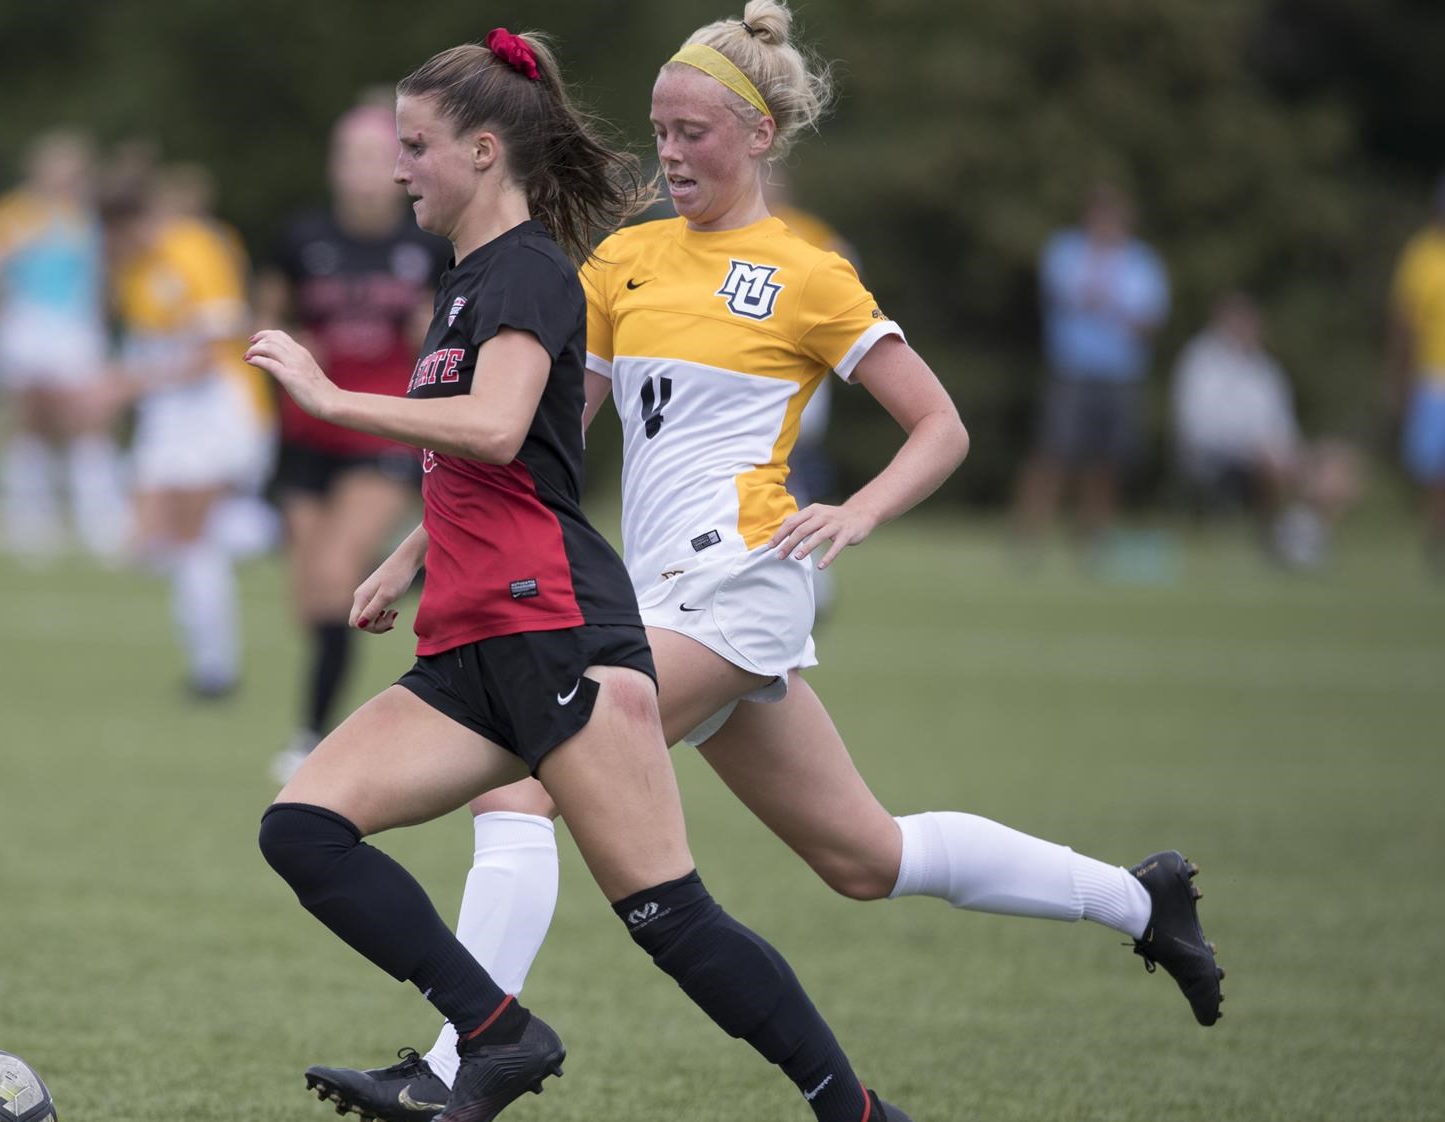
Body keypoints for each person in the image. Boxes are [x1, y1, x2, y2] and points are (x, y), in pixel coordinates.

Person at [297, 8, 1223, 1121]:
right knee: (861, 856)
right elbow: (534, 441)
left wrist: (859, 509)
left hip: (740, 585)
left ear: (761, 133)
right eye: (658, 130)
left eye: (693, 132)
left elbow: (939, 427)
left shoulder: (806, 273)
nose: (671, 154)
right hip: (653, 598)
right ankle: (1138, 899)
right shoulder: (623, 261)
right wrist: (411, 553)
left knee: (522, 777)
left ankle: (458, 1068)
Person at [249, 28, 914, 1122]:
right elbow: (481, 459)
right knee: (301, 827)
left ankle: (851, 1111)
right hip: (469, 637)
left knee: (669, 919)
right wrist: (409, 557)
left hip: (555, 629)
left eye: (412, 146)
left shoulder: (530, 271)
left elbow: (499, 429)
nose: (395, 166)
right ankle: (495, 1032)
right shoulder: (464, 281)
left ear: (477, 152)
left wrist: (331, 401)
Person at [262, 101, 451, 776]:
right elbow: (266, 316)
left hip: (381, 428)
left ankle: (312, 736)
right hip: (307, 432)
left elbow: (453, 342)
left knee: (339, 576)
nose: (363, 172)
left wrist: (426, 339)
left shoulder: (426, 246)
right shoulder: (303, 237)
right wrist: (286, 343)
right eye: (351, 157)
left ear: (399, 167)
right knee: (313, 599)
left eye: (377, 158)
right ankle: (437, 567)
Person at [104, 170, 270, 699]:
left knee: (192, 534)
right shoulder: (131, 268)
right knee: (153, 541)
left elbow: (214, 348)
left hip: (217, 403)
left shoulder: (195, 249)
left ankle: (214, 671)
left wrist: (127, 384)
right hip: (171, 412)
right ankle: (211, 665)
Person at [0, 130, 127, 563]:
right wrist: (2, 319)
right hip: (29, 325)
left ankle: (100, 518)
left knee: (88, 418)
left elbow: (106, 273)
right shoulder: (13, 214)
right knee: (31, 421)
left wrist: (103, 319)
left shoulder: (88, 218)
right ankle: (31, 520)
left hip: (75, 327)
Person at [1010, 182, 1169, 556]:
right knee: (1053, 451)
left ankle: (1092, 538)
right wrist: (1116, 304)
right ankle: (1028, 535)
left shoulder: (1143, 261)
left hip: (1122, 372)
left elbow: (1148, 321)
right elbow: (1069, 294)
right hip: (1072, 368)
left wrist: (1109, 303)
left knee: (1107, 459)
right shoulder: (1066, 250)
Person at [1169, 290, 1322, 563]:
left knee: (1336, 468)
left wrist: (1292, 453)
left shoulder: (1267, 369)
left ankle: (1301, 540)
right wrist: (1255, 448)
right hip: (1217, 456)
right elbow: (1197, 425)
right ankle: (1275, 542)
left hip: (1272, 453)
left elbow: (1282, 424)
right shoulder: (1202, 361)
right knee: (1270, 466)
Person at [1389, 173, 1445, 571]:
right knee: (1432, 470)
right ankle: (1434, 544)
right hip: (1432, 378)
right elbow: (1404, 323)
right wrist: (1397, 377)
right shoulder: (1421, 254)